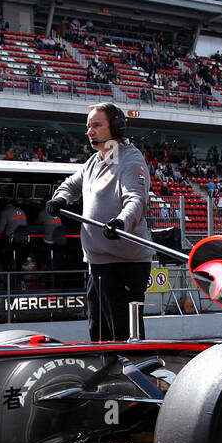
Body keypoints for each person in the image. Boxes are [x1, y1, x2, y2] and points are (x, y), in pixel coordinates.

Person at [48, 103, 152, 341]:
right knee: (99, 332)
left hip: (125, 263)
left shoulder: (131, 160)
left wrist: (121, 223)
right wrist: (61, 198)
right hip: (98, 262)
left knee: (124, 334)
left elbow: (136, 199)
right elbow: (71, 185)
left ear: (116, 126)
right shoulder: (95, 161)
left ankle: (133, 376)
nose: (89, 132)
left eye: (96, 125)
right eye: (88, 126)